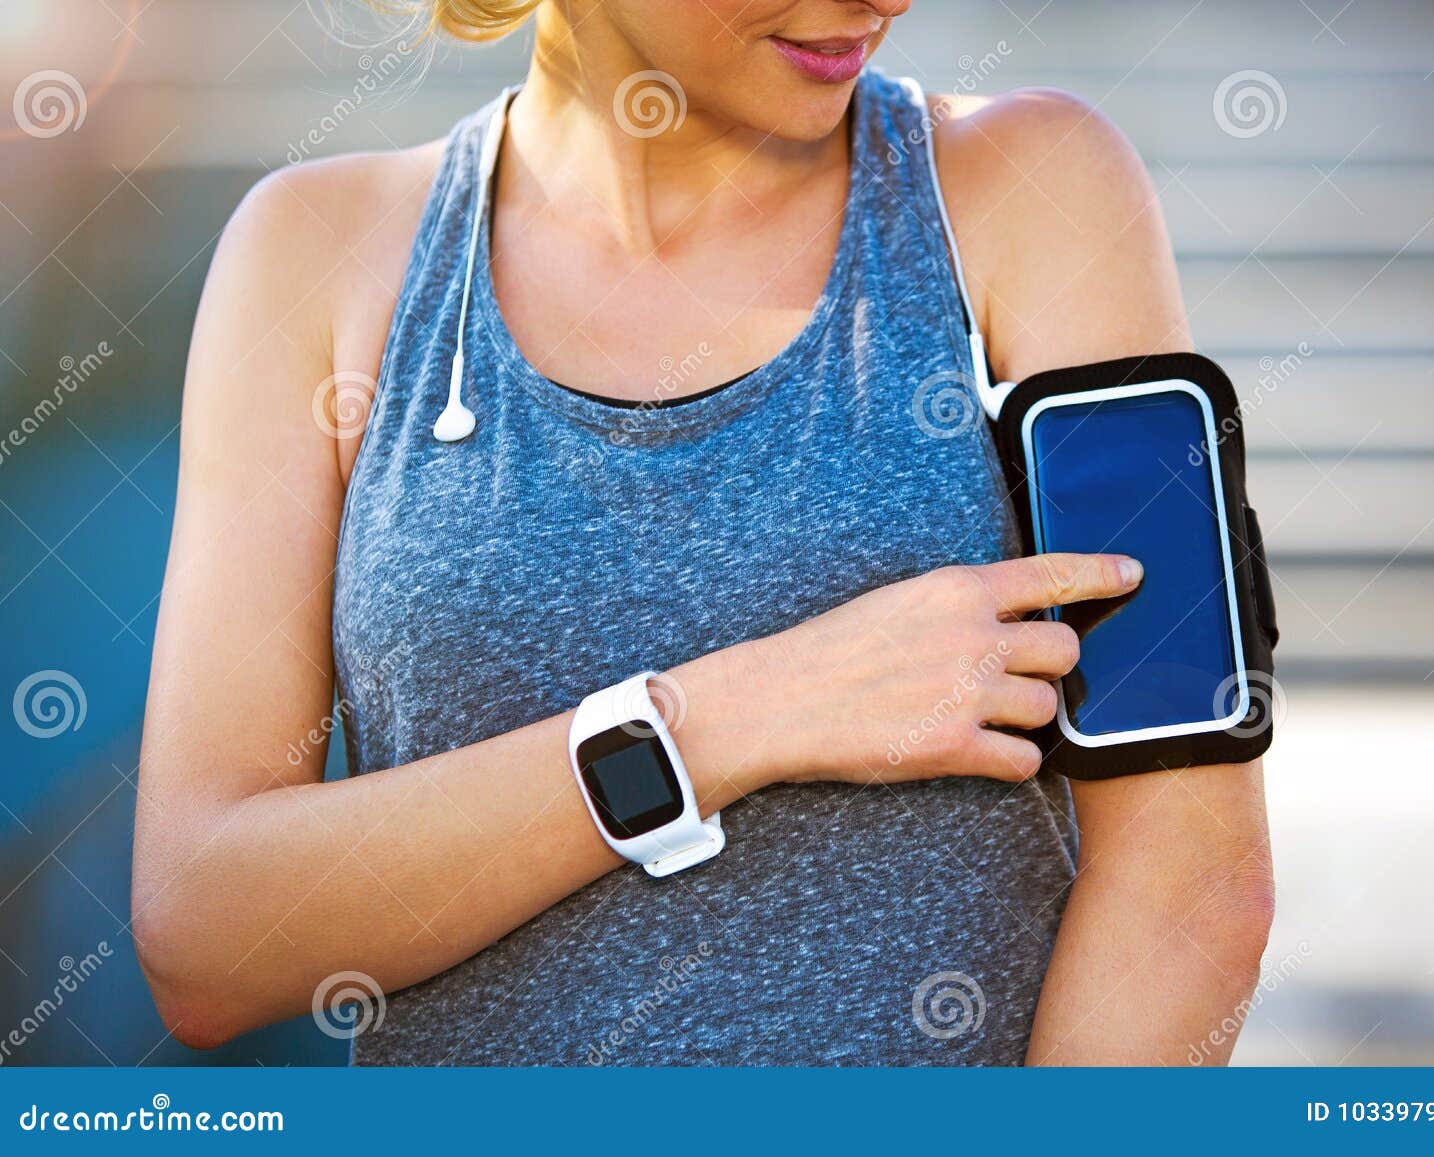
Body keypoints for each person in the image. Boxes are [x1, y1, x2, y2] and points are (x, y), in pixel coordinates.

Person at [132, 0, 1273, 1065]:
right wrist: (728, 720)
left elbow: (1194, 886)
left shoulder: (1032, 187)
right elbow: (204, 934)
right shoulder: (317, 254)